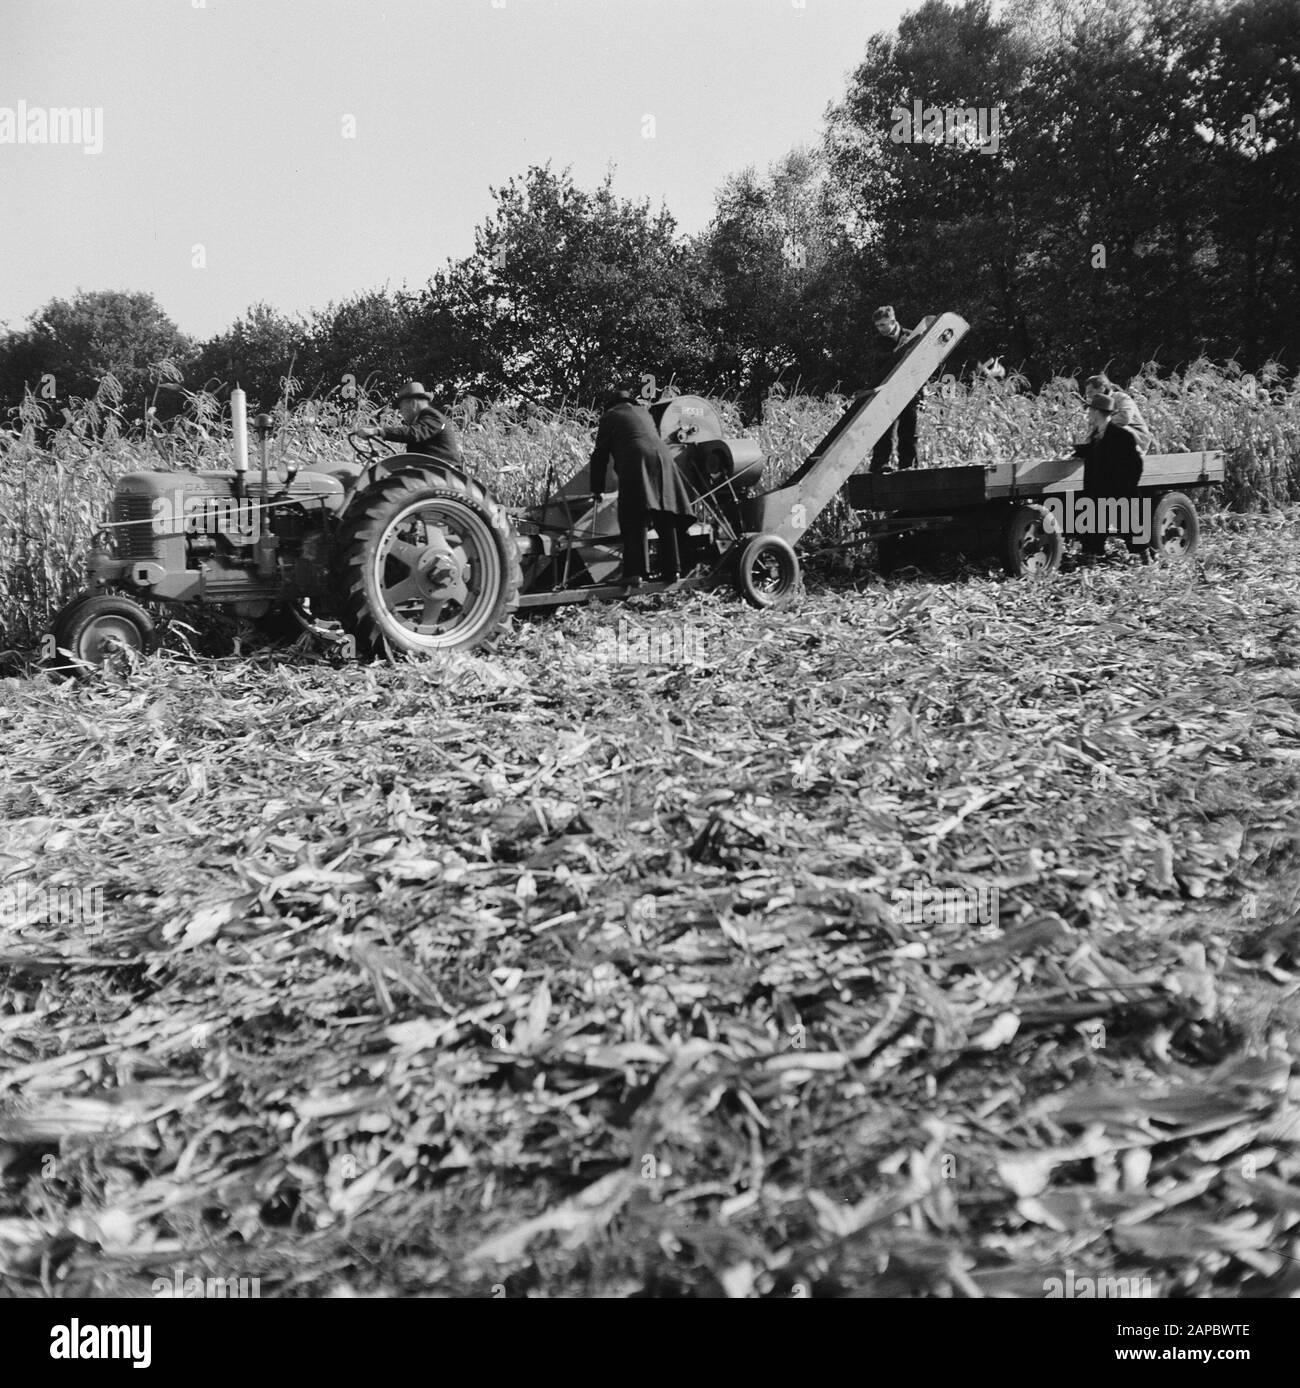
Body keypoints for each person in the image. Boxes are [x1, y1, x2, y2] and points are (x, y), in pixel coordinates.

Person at [589, 388, 695, 586]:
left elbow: (600, 455)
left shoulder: (610, 416)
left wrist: (597, 489)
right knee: (665, 511)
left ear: (611, 405)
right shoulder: (643, 412)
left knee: (634, 515)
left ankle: (635, 573)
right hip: (664, 459)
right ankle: (672, 571)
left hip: (636, 460)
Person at [1073, 391, 1145, 558]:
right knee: (1094, 528)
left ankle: (1144, 558)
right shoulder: (1097, 436)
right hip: (1099, 492)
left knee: (1131, 528)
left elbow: (1136, 465)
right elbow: (1095, 453)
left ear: (1098, 412)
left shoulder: (1123, 436)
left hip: (1120, 492)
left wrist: (1125, 487)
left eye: (1091, 410)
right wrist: (1076, 451)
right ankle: (1093, 556)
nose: (1088, 414)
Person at [860, 305, 927, 474]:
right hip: (886, 392)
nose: (880, 329)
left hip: (909, 390)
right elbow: (876, 362)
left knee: (908, 433)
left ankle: (909, 466)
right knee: (883, 432)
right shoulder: (877, 342)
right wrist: (896, 352)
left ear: (893, 320)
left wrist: (922, 392)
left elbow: (923, 364)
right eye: (878, 326)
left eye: (883, 325)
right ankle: (879, 466)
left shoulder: (912, 335)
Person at [355, 381, 463, 469]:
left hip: (444, 471)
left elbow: (414, 434)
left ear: (413, 404)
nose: (400, 412)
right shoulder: (423, 419)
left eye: (401, 407)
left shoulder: (433, 417)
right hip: (428, 469)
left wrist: (378, 431)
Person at [1084, 373, 1153, 453]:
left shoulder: (1121, 397)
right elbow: (1092, 429)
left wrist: (1103, 423)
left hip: (1137, 437)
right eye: (1087, 393)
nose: (1088, 396)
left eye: (1090, 392)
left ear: (1102, 388)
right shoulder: (1095, 407)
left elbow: (1125, 417)